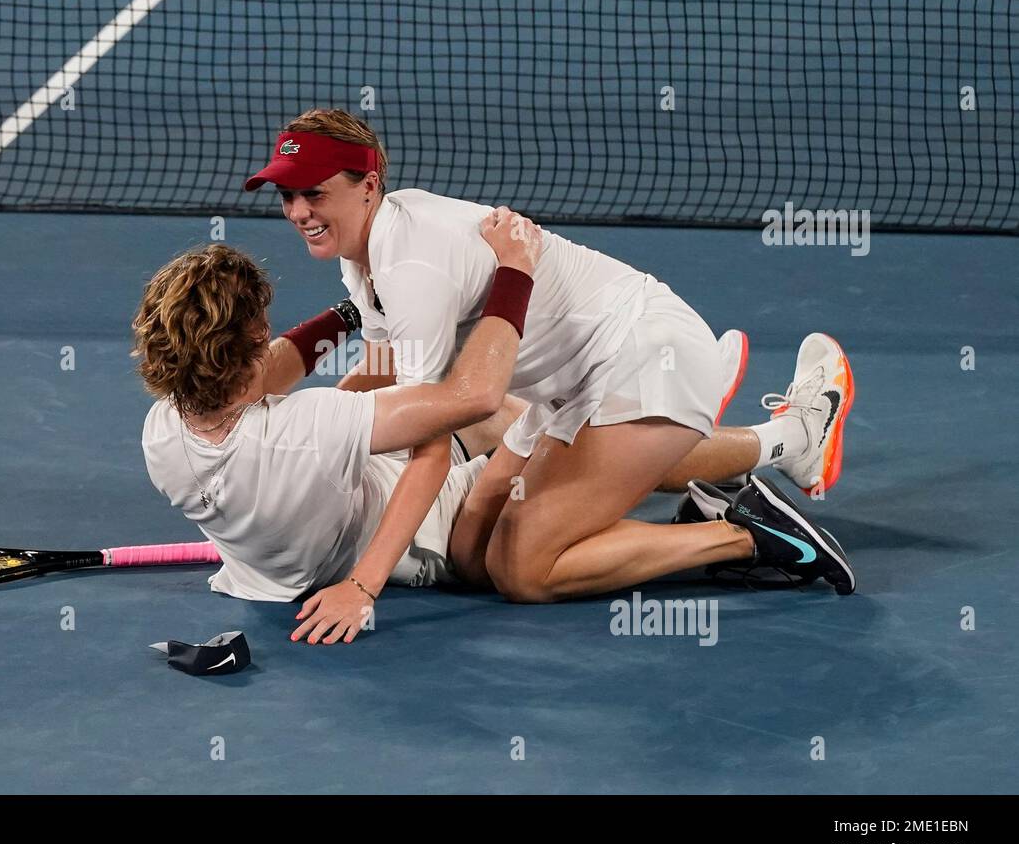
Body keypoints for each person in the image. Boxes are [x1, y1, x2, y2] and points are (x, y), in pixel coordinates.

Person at [242, 109, 856, 605]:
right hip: (566, 387)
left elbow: (426, 439)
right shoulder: (367, 250)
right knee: (470, 548)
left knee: (521, 569)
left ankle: (744, 534)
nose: (298, 212)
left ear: (367, 186)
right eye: (287, 196)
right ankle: (785, 441)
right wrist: (290, 438)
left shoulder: (412, 265)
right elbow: (381, 372)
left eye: (313, 195)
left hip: (639, 353)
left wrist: (362, 583)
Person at [134, 227, 853, 647]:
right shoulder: (305, 427)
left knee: (468, 407)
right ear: (245, 353)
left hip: (358, 488)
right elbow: (460, 403)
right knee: (513, 435)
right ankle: (745, 521)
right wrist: (516, 270)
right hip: (438, 529)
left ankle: (769, 437)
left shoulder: (164, 432)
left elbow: (274, 376)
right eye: (261, 334)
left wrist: (354, 316)